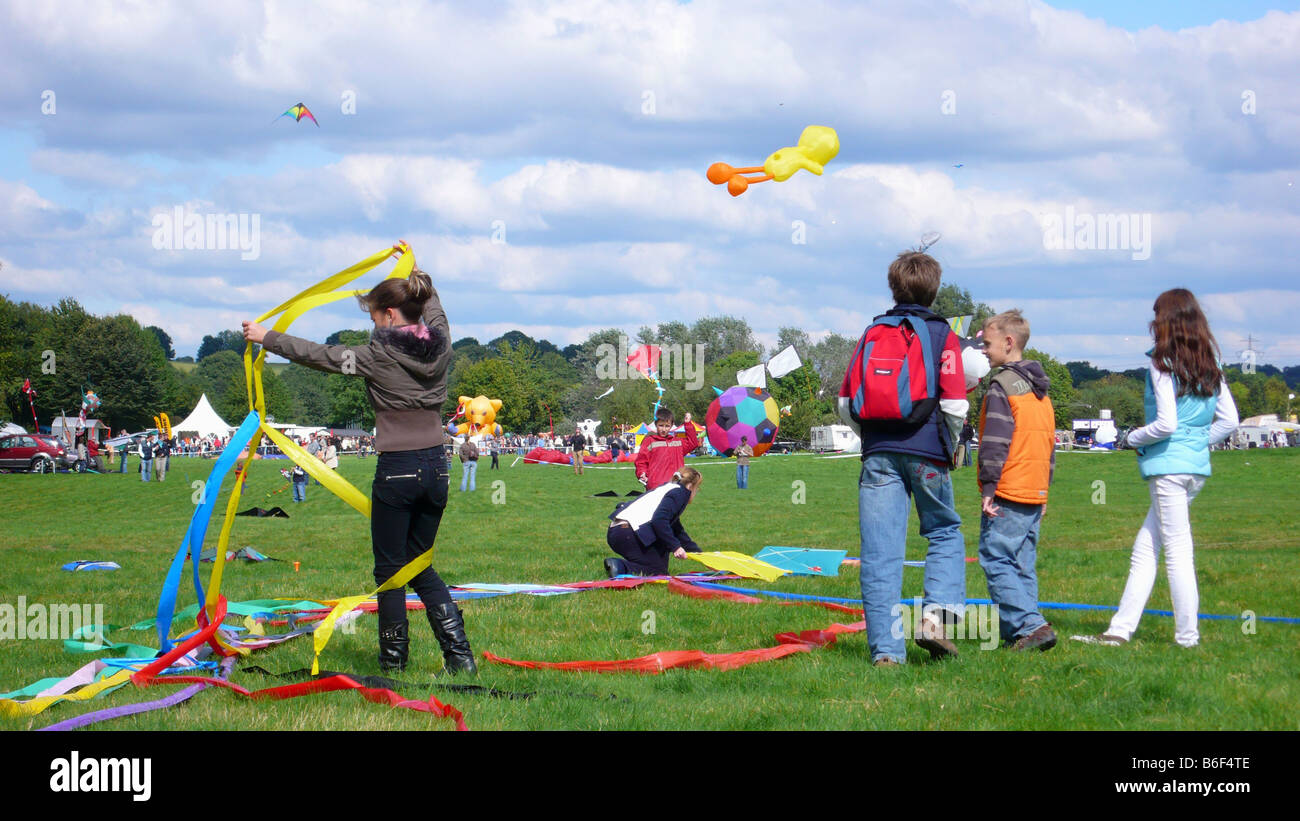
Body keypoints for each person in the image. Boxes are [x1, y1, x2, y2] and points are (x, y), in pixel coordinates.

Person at [242, 242, 475, 676]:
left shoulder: (373, 356)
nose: (371, 322)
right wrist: (416, 271)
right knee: (419, 564)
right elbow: (436, 310)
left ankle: (393, 664)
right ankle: (460, 658)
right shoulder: (441, 345)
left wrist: (266, 338)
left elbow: (320, 356)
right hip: (437, 469)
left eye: (372, 314)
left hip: (397, 470)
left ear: (389, 315)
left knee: (390, 571)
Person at [1073, 289, 1238, 649]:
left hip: (1168, 468)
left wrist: (1131, 438)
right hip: (1195, 469)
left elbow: (1166, 424)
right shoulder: (1210, 362)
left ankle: (1187, 638)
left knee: (1177, 552)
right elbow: (1230, 421)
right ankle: (1119, 630)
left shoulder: (1162, 363)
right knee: (1146, 548)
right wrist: (1198, 444)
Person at [838, 250, 969, 667]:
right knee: (944, 530)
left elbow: (845, 402)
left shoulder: (871, 332)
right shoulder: (941, 335)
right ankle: (935, 619)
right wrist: (950, 448)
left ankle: (887, 654)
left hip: (878, 455)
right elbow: (954, 407)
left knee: (880, 554)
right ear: (934, 290)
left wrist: (871, 438)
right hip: (928, 451)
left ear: (893, 287)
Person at [975, 310, 1057, 651]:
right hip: (1034, 489)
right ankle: (1022, 633)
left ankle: (1031, 625)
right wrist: (1044, 493)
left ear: (1009, 343)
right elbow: (1050, 445)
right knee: (1021, 563)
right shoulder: (1041, 391)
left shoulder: (1001, 386)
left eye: (988, 343)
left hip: (1009, 488)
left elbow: (995, 442)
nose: (983, 349)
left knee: (995, 558)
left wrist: (989, 488)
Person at [604, 467, 704, 577]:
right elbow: (659, 521)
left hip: (617, 530)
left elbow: (676, 529)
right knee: (658, 572)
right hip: (627, 533)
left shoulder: (667, 488)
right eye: (697, 488)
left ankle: (626, 566)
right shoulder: (680, 493)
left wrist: (699, 553)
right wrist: (676, 547)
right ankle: (620, 566)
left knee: (660, 563)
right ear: (690, 486)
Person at [634, 408, 698, 490]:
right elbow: (641, 462)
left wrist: (688, 423)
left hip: (676, 486)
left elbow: (693, 442)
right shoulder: (649, 441)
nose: (664, 429)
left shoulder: (677, 442)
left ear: (672, 425)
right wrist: (642, 473)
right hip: (656, 487)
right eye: (661, 425)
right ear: (656, 424)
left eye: (667, 426)